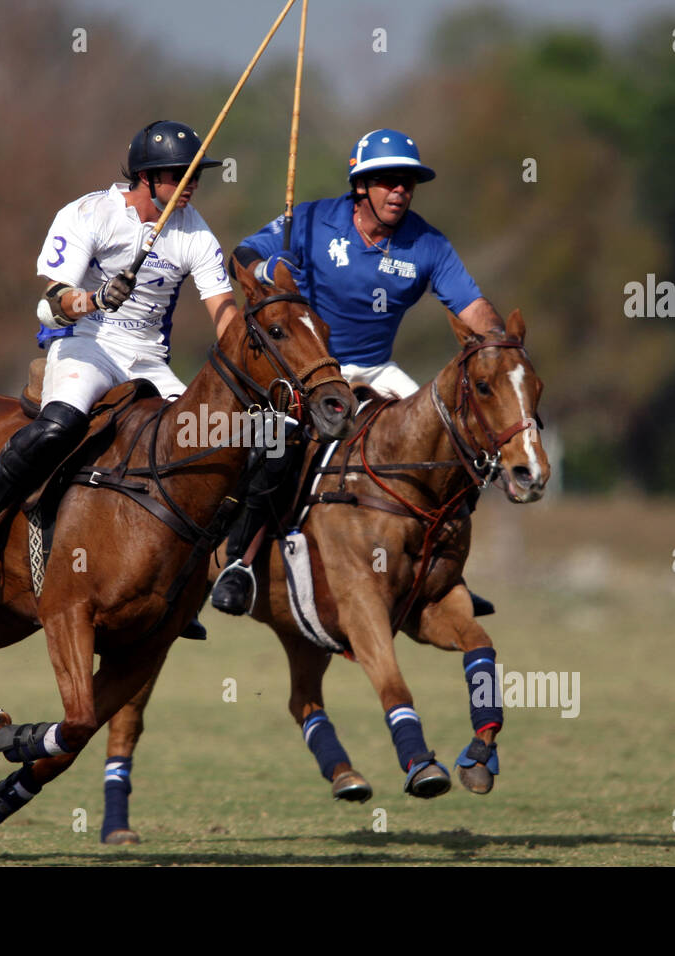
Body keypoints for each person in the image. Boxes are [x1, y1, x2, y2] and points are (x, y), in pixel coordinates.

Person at [210, 128, 507, 615]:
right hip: (308, 370)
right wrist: (271, 270)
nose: (400, 191)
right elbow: (242, 254)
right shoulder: (310, 221)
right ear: (361, 185)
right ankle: (240, 563)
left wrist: (499, 343)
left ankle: (444, 572)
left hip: (377, 366)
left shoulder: (427, 244)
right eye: (388, 181)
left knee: (458, 448)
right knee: (279, 447)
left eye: (408, 183)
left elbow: (473, 307)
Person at [0, 120, 239, 606]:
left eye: (195, 175)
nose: (192, 185)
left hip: (148, 358)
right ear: (148, 176)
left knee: (206, 440)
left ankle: (184, 576)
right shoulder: (90, 213)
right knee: (61, 425)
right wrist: (98, 297)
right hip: (87, 342)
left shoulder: (195, 233)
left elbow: (223, 313)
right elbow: (51, 303)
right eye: (181, 175)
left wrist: (251, 358)